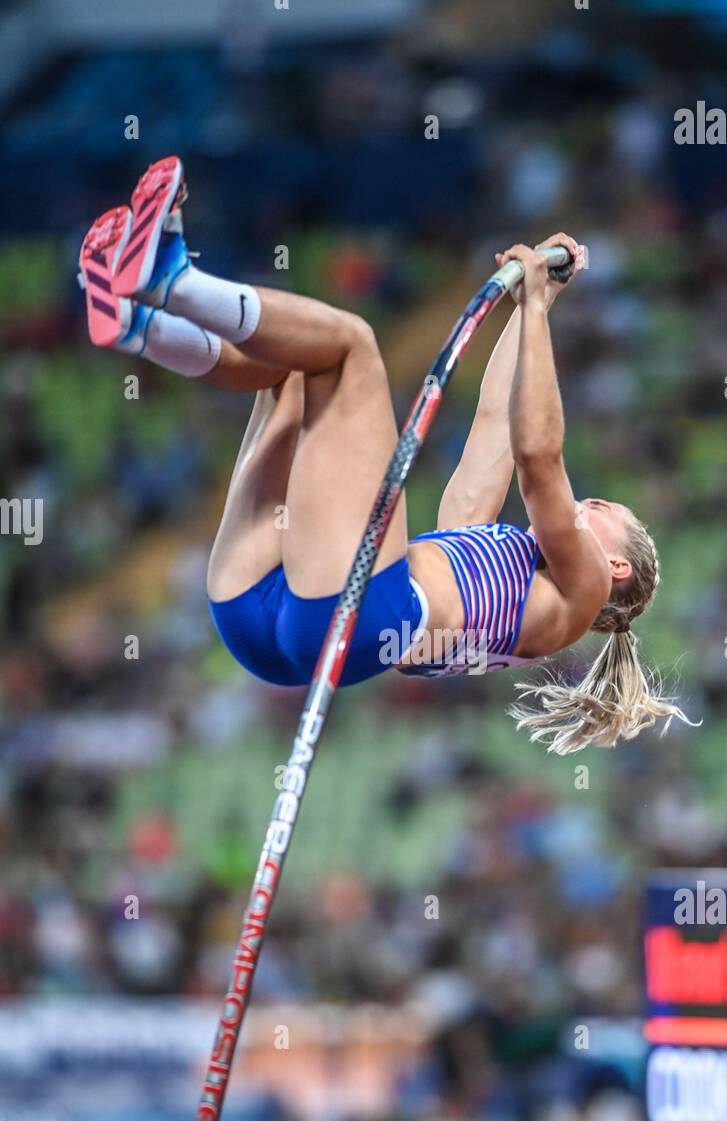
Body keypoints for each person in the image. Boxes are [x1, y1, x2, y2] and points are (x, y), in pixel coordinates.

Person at [79, 156, 693, 753]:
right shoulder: (489, 563)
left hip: (358, 614)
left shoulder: (578, 593)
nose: (594, 500)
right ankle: (137, 322)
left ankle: (172, 280)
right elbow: (498, 422)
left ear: (616, 566)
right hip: (279, 626)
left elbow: (538, 456)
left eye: (611, 509)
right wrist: (539, 306)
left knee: (350, 347)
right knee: (289, 376)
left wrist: (532, 304)